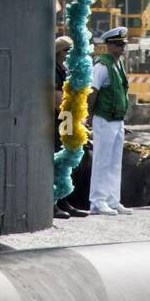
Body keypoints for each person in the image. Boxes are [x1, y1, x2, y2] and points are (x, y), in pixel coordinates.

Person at [87, 27, 132, 216]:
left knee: (115, 162)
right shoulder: (102, 66)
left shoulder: (118, 64)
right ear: (109, 45)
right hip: (104, 118)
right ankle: (98, 201)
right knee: (102, 161)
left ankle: (113, 200)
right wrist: (87, 115)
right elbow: (92, 92)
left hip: (117, 119)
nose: (122, 47)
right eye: (118, 44)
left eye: (123, 44)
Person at [53, 36, 90, 219]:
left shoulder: (66, 70)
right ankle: (53, 202)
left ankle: (64, 198)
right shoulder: (54, 71)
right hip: (60, 120)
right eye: (68, 51)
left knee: (69, 159)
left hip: (68, 119)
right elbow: (57, 100)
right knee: (58, 159)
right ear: (61, 52)